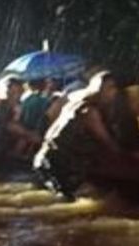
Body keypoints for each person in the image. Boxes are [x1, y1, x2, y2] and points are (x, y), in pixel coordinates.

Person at [34, 71, 123, 200]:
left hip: (45, 159)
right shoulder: (89, 112)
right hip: (57, 164)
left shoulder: (76, 103)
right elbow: (108, 143)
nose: (113, 92)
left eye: (114, 88)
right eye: (109, 88)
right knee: (69, 203)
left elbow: (51, 121)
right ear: (97, 90)